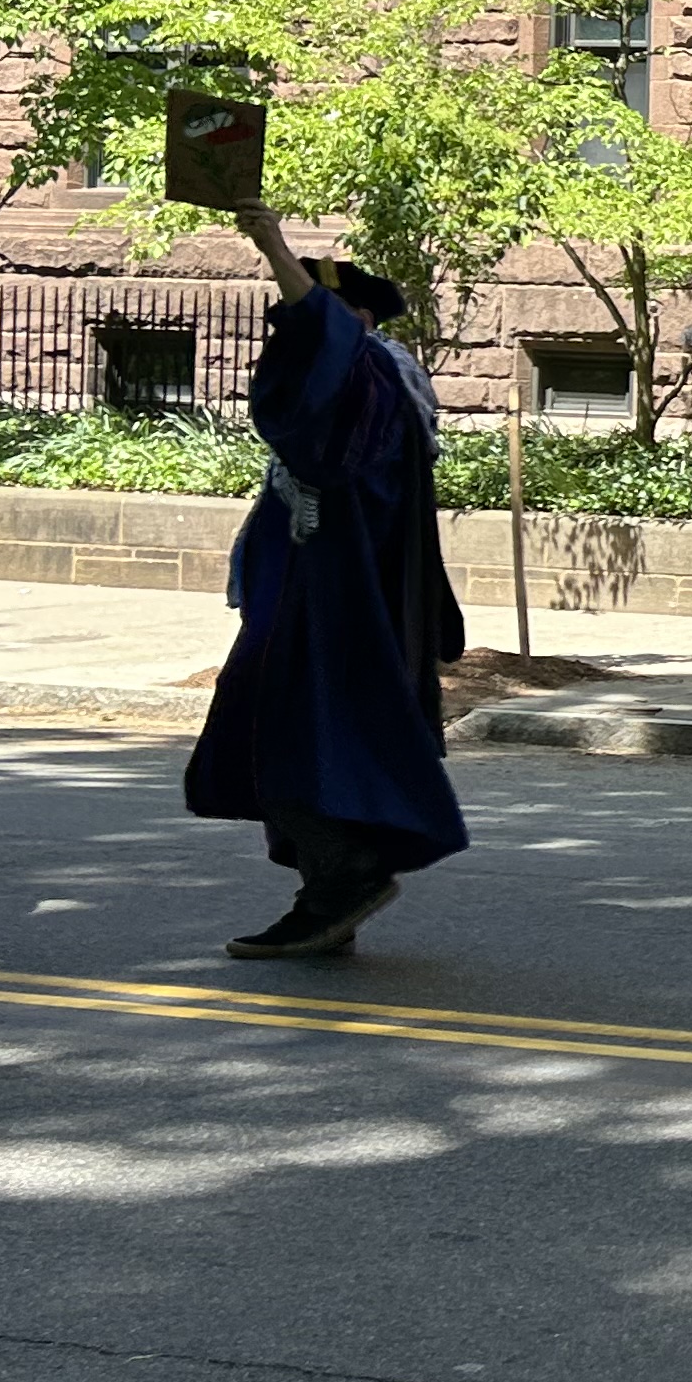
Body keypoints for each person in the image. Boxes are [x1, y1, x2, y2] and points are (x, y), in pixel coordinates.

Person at [186, 205, 468, 961]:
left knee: (287, 733)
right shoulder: (366, 379)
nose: (289, 324)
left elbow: (322, 342)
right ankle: (329, 893)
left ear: (358, 321)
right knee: (299, 737)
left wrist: (272, 244)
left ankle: (343, 880)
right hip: (319, 598)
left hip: (335, 607)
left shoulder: (369, 376)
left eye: (313, 311)